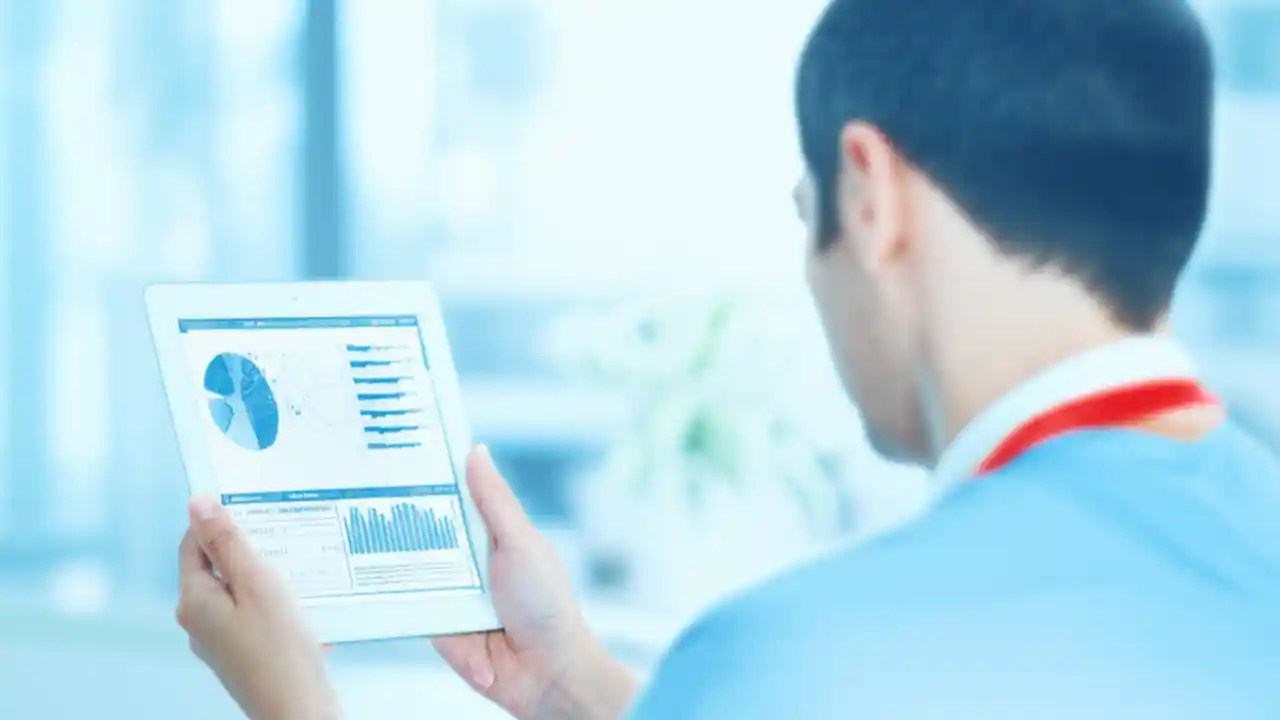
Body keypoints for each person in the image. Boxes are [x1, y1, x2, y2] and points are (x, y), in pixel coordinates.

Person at [176, 0, 1280, 717]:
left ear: (868, 193)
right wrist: (580, 688)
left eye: (808, 216)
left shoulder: (803, 658)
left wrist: (291, 703)